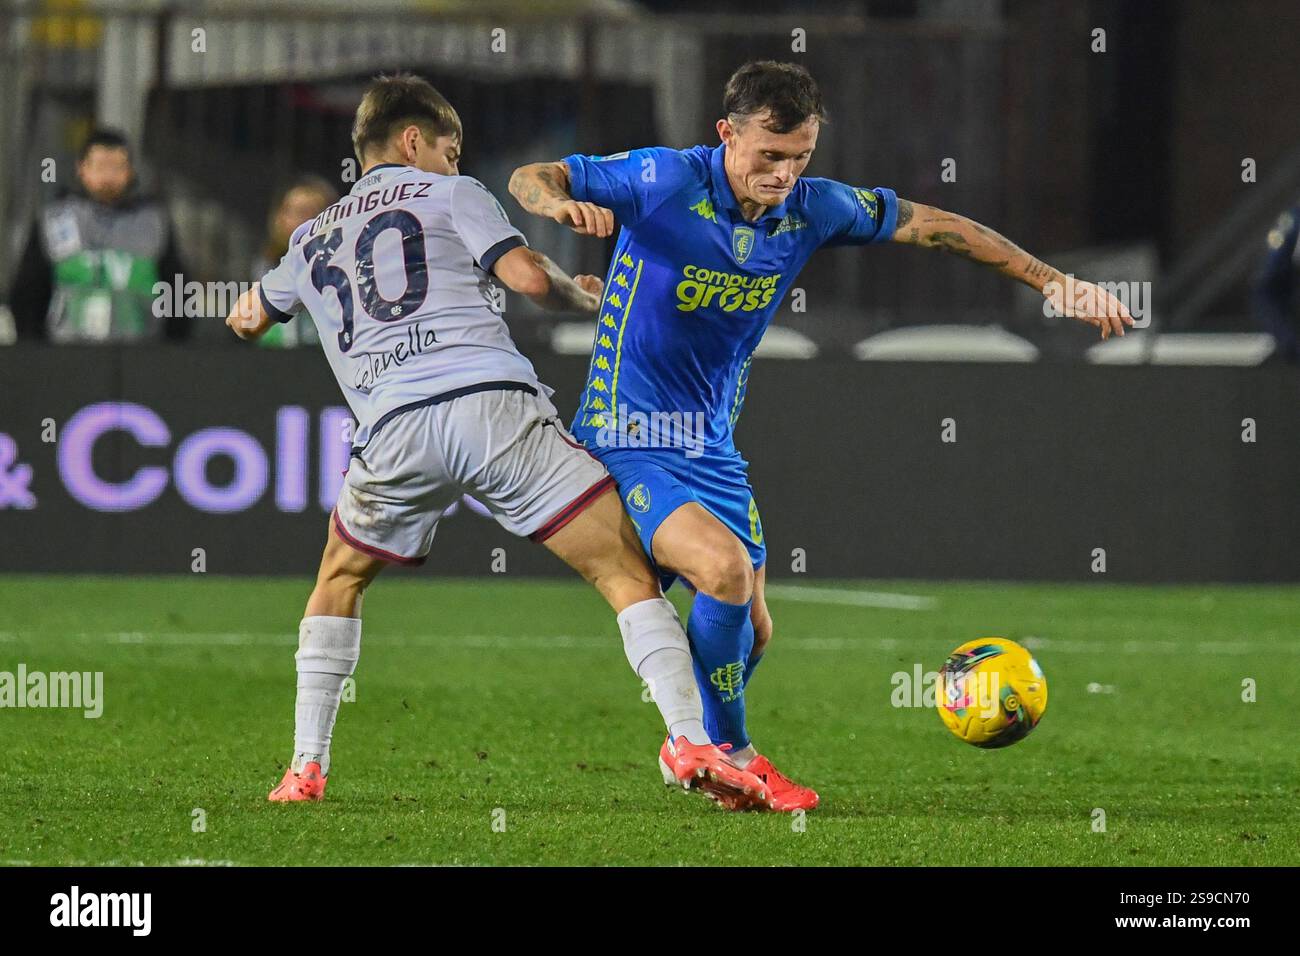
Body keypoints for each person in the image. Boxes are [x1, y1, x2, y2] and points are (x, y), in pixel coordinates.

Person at [509, 60, 1133, 811]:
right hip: (626, 430)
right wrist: (558, 206)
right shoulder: (661, 178)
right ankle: (727, 757)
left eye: (800, 156)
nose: (782, 173)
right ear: (726, 135)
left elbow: (934, 226)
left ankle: (710, 752)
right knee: (725, 574)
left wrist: (1053, 281)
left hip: (711, 444)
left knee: (756, 634)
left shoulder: (815, 209)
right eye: (768, 155)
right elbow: (530, 175)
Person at [223, 74, 777, 811]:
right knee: (623, 575)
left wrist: (254, 303)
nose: (455, 163)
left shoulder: (311, 235)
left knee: (339, 580)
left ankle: (304, 769)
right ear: (415, 142)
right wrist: (580, 290)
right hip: (492, 408)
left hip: (393, 431)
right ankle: (687, 740)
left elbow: (248, 321)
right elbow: (526, 279)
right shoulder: (454, 194)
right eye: (450, 150)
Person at [11, 128, 189, 343]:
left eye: (117, 167)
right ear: (82, 169)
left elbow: (178, 291)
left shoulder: (153, 224)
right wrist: (34, 352)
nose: (108, 176)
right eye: (100, 166)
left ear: (130, 172)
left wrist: (172, 350)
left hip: (141, 355)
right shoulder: (55, 221)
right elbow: (28, 292)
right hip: (66, 355)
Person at [251, 175, 339, 348]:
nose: (298, 221)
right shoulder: (263, 267)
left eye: (308, 213)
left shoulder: (341, 269)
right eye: (291, 211)